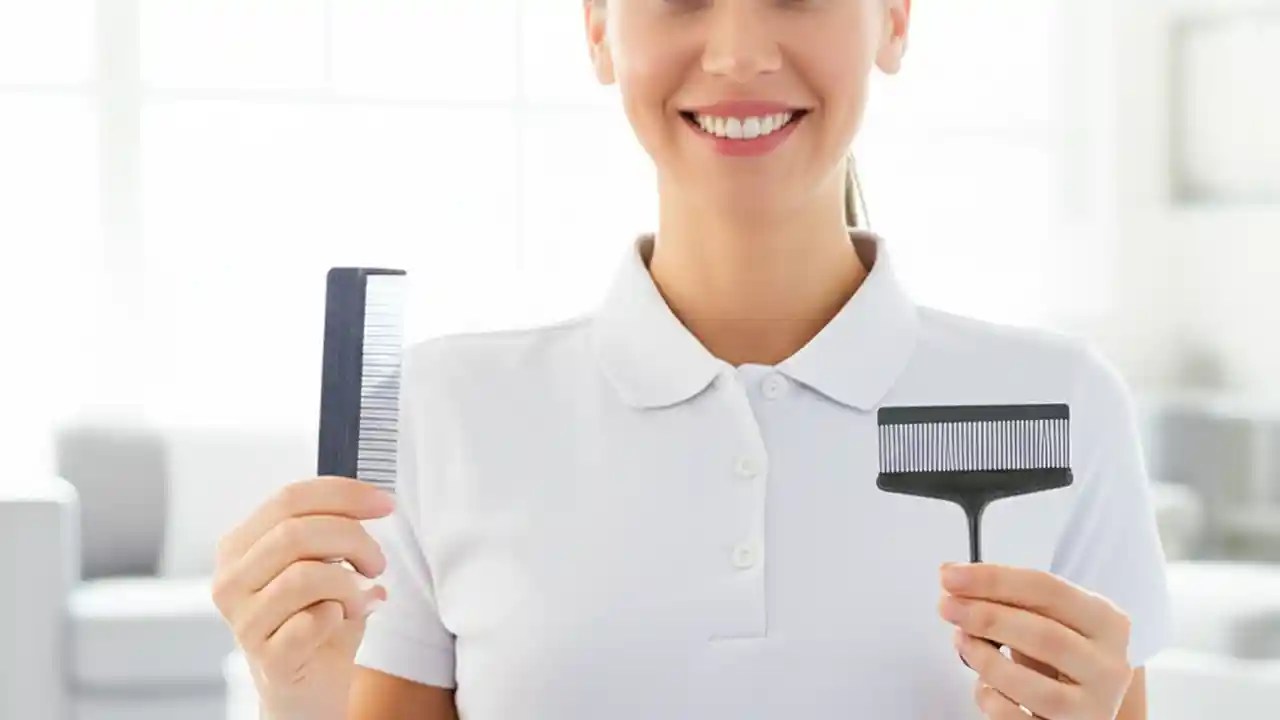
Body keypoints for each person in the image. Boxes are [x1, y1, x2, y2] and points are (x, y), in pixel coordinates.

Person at [211, 1, 1173, 718]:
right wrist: (297, 700)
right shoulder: (444, 409)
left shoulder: (1064, 401)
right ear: (598, 27)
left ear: (894, 18)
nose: (741, 51)